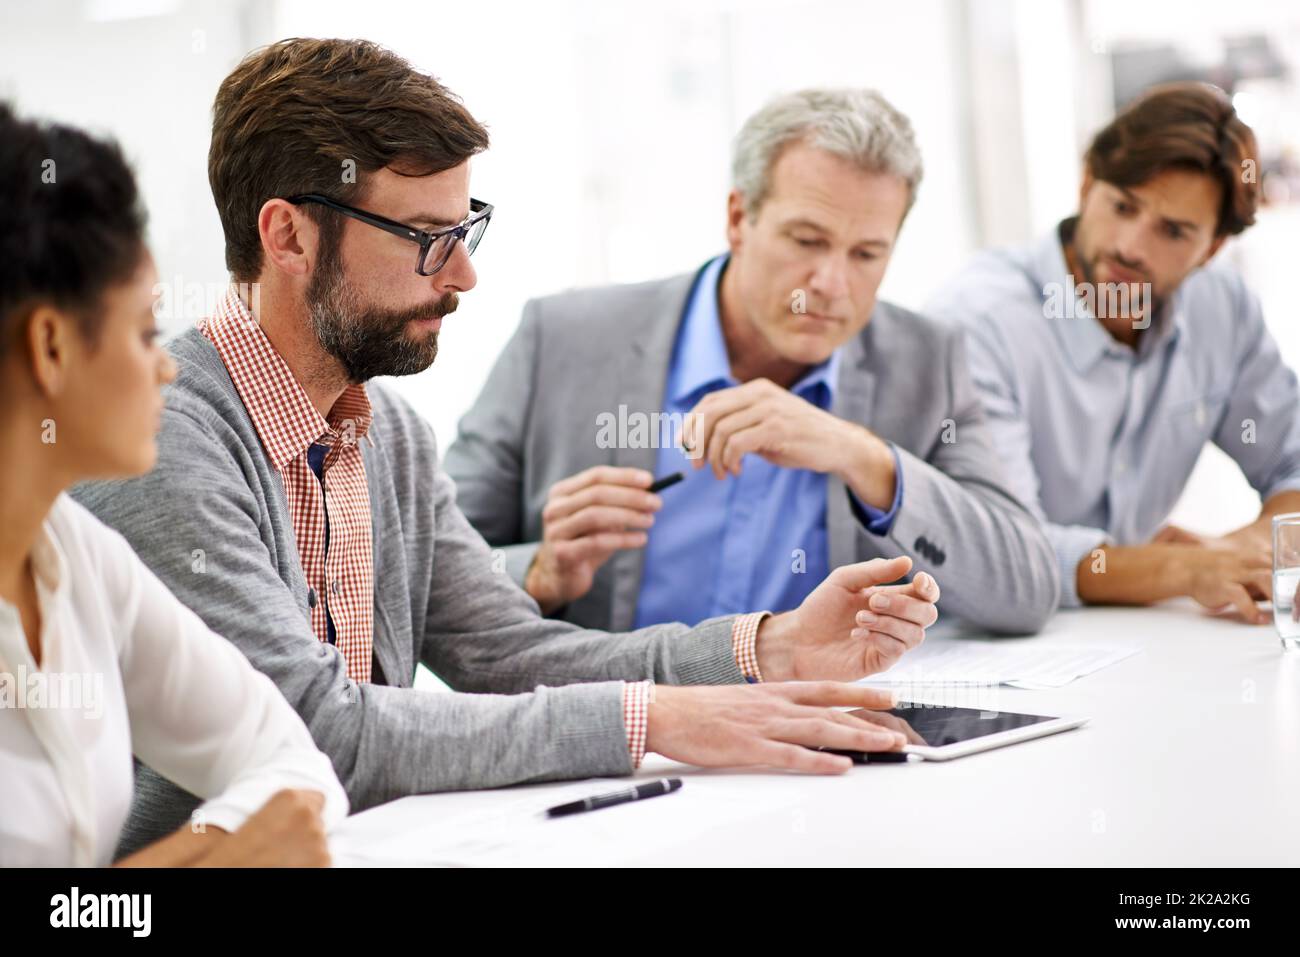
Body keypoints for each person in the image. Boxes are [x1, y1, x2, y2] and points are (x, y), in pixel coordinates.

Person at [72, 39, 941, 856]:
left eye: (466, 229)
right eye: (425, 239)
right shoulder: (160, 436)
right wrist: (655, 718)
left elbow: (511, 655)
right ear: (289, 236)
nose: (462, 275)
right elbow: (310, 727)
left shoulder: (389, 436)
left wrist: (771, 647)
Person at [444, 88, 1059, 636]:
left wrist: (861, 455)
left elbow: (1027, 586)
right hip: (618, 733)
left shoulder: (930, 361)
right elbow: (430, 570)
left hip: (815, 741)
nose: (831, 283)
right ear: (739, 219)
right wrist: (542, 570)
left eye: (868, 253)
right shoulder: (564, 339)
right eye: (807, 240)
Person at [0, 102, 347, 867]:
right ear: (51, 345)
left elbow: (293, 756)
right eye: (144, 332)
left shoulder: (77, 556)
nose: (166, 365)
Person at [927, 82, 1300, 623]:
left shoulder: (1223, 308)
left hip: (1139, 641)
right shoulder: (979, 323)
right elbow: (1008, 552)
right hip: (988, 651)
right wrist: (1180, 569)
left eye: (1172, 231)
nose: (1131, 246)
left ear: (1212, 248)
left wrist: (1251, 549)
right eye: (1121, 205)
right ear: (1085, 186)